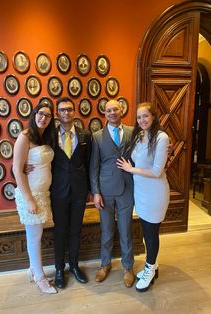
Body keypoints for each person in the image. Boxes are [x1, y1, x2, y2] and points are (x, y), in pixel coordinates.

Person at [116, 102, 170, 292]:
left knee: (151, 232)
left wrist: (131, 169)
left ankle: (149, 269)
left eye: (145, 116)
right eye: (139, 117)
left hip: (155, 192)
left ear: (153, 116)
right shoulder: (139, 136)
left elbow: (156, 171)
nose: (142, 120)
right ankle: (153, 266)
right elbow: (135, 158)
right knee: (147, 232)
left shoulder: (162, 138)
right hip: (140, 192)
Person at [90, 99, 135, 288]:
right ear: (105, 114)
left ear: (121, 110)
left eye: (115, 109)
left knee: (126, 230)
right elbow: (94, 167)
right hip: (105, 190)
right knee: (106, 230)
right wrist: (96, 193)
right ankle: (105, 264)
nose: (112, 112)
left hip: (127, 188)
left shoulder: (133, 132)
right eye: (109, 110)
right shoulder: (97, 136)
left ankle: (128, 267)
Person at [13, 102, 57, 294]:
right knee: (34, 236)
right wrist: (29, 199)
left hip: (43, 194)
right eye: (41, 114)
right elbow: (17, 168)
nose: (43, 118)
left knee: (35, 234)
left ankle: (33, 269)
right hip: (31, 194)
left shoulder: (45, 136)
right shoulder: (25, 136)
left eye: (48, 116)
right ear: (34, 114)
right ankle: (40, 277)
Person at [51, 96, 92, 289]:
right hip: (58, 191)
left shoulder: (85, 136)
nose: (66, 113)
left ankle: (74, 266)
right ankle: (59, 269)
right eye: (62, 110)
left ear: (74, 112)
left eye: (69, 109)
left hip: (79, 192)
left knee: (76, 230)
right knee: (60, 231)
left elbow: (90, 164)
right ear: (57, 113)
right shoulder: (50, 136)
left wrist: (92, 190)